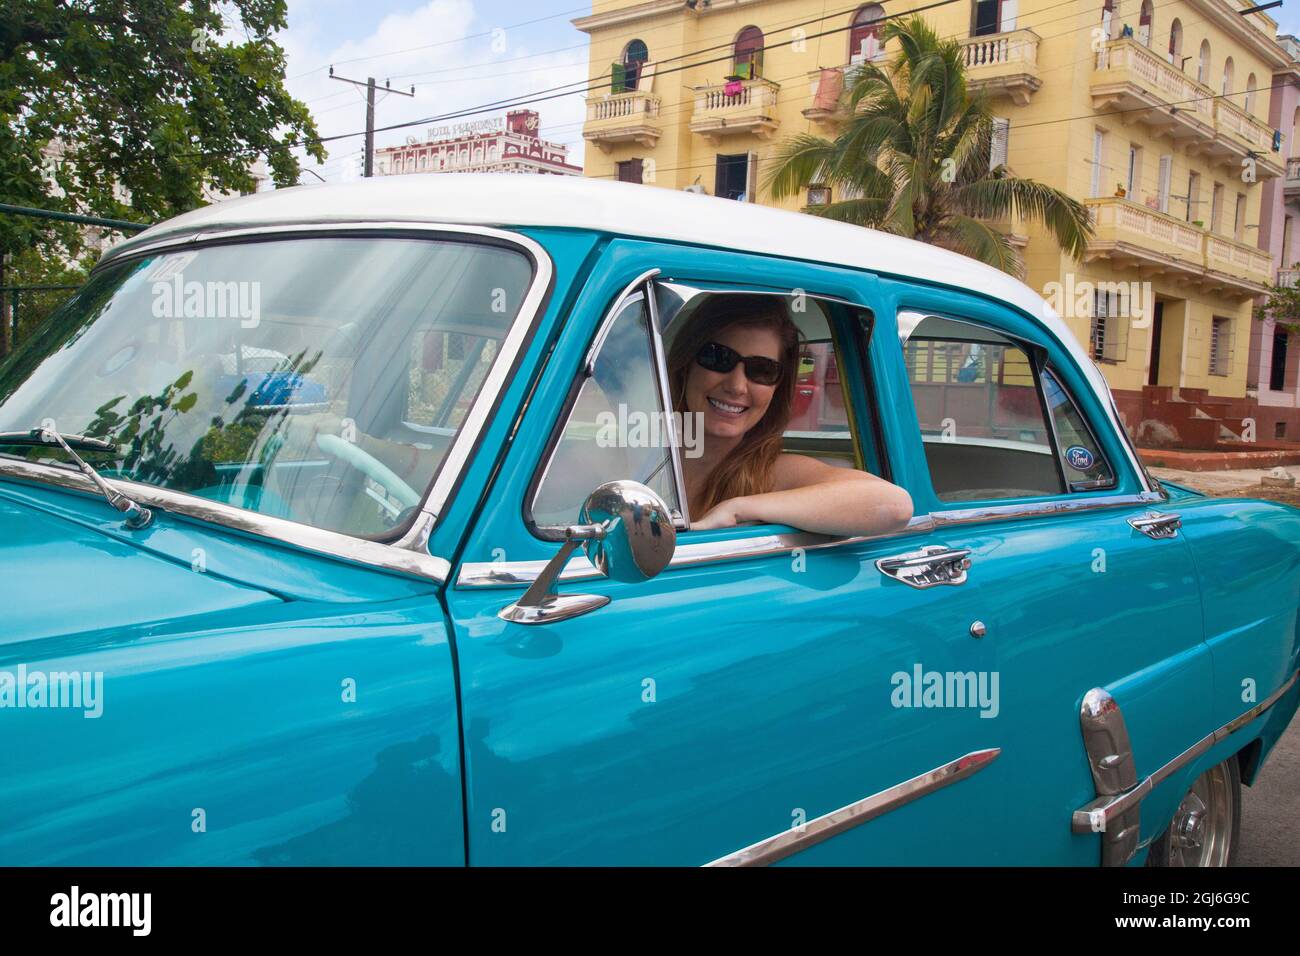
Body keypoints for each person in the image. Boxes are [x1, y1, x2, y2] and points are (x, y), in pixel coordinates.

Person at [666, 295, 913, 536]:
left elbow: (894, 505)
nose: (737, 386)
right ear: (687, 362)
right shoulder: (641, 450)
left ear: (777, 387)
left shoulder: (772, 472)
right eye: (719, 358)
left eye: (762, 370)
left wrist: (738, 509)